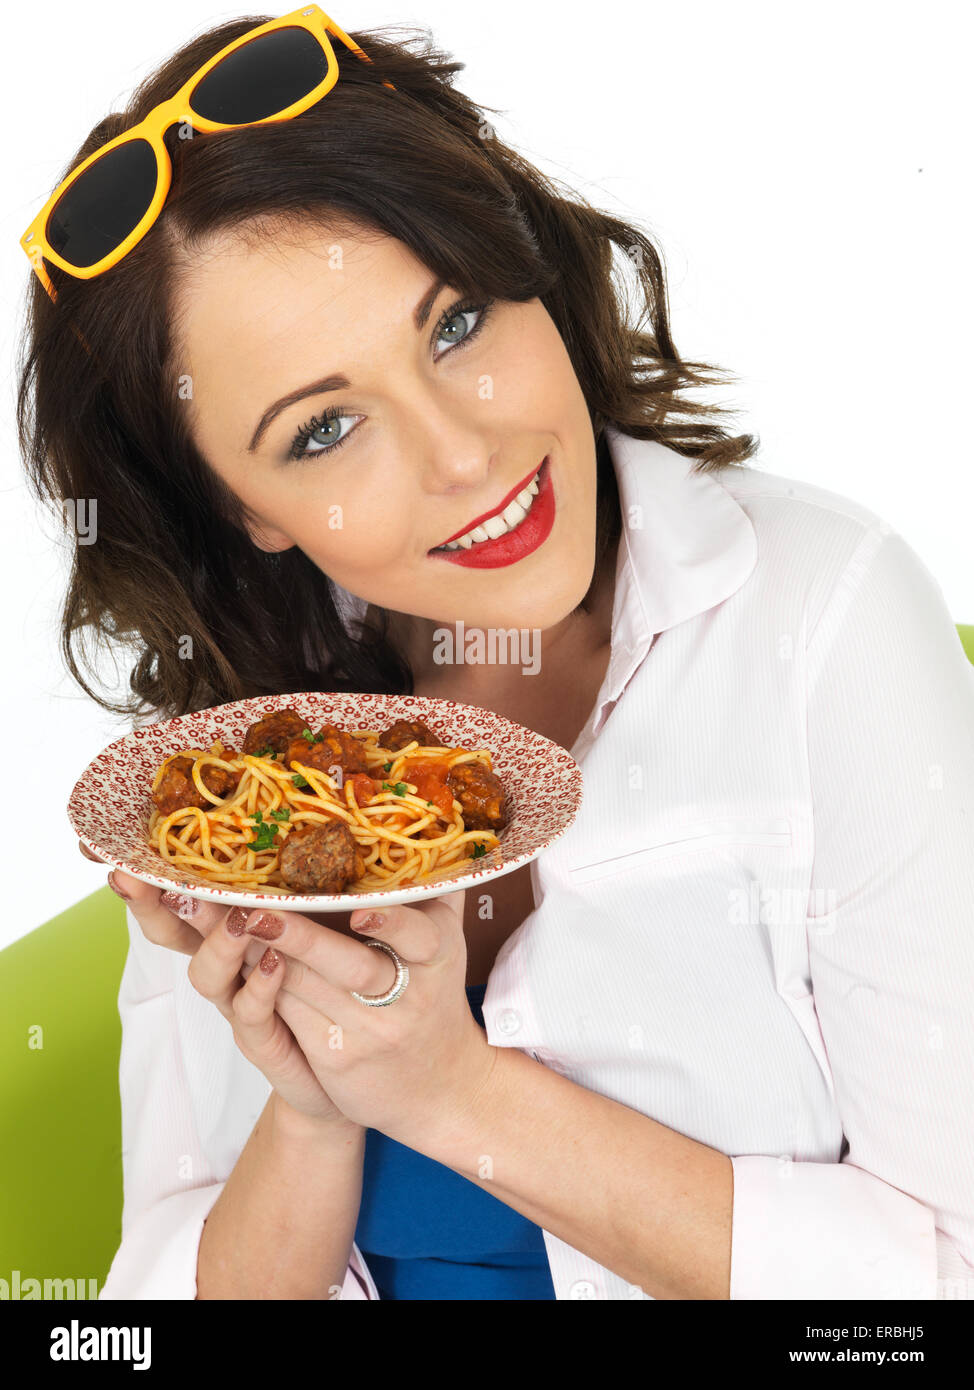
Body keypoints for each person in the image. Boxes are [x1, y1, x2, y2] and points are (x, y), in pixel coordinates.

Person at [19, 10, 974, 1300]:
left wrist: (451, 1093)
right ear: (240, 508)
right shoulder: (243, 782)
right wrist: (313, 1115)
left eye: (456, 325)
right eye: (324, 430)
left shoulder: (828, 615)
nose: (463, 456)